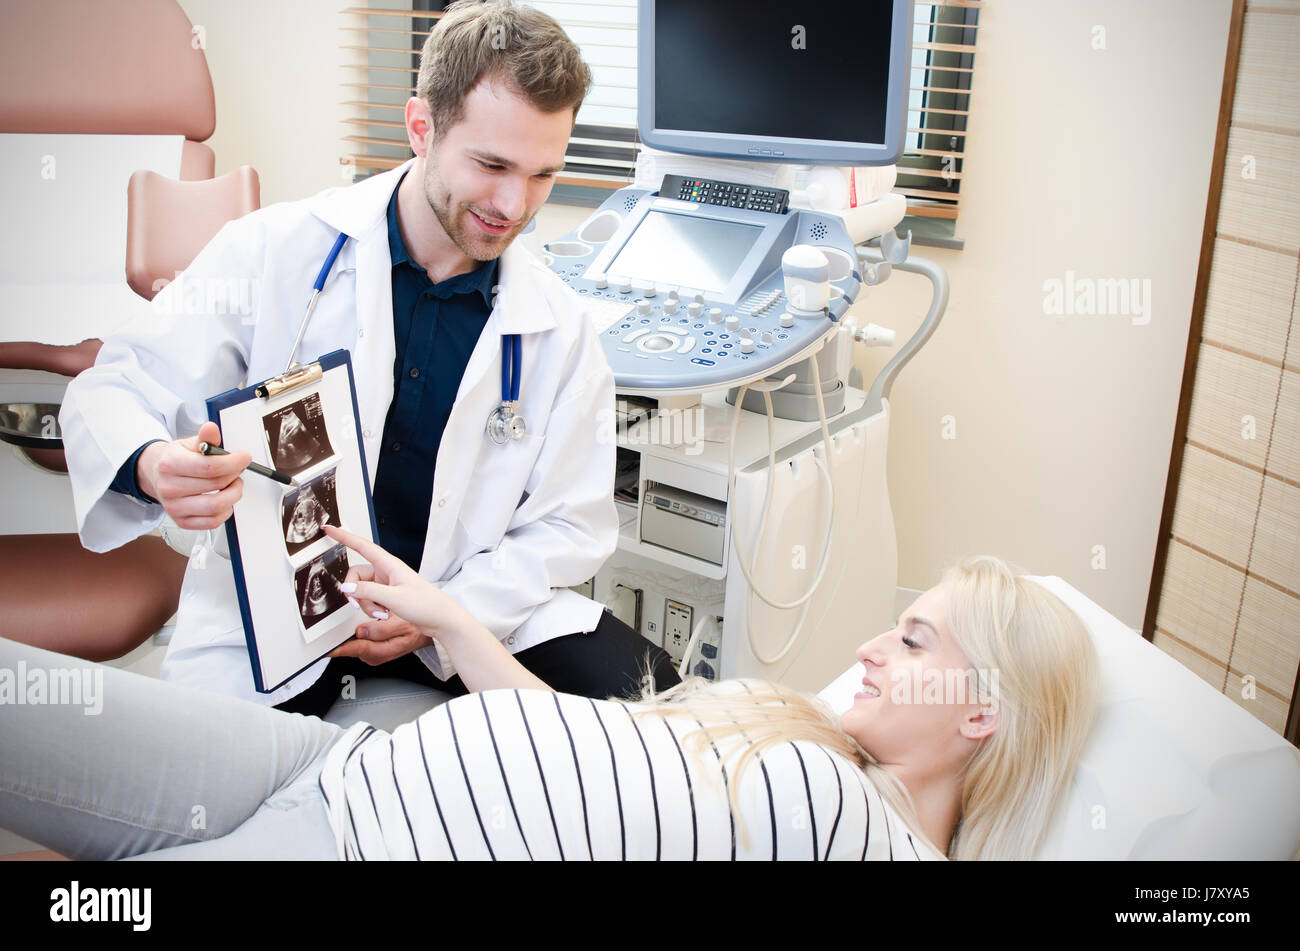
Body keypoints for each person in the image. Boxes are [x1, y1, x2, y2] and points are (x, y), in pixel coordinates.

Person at [58, 0, 678, 712]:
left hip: (464, 608)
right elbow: (114, 387)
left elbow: (569, 525)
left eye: (543, 174)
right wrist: (150, 465)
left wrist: (438, 612)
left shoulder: (557, 328)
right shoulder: (275, 253)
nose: (515, 204)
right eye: (492, 164)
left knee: (664, 704)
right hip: (283, 614)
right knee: (230, 787)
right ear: (421, 127)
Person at [0, 537, 1100, 861]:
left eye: (913, 639)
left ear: (980, 713)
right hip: (324, 765)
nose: (868, 648)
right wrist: (449, 621)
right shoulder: (812, 747)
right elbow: (577, 739)